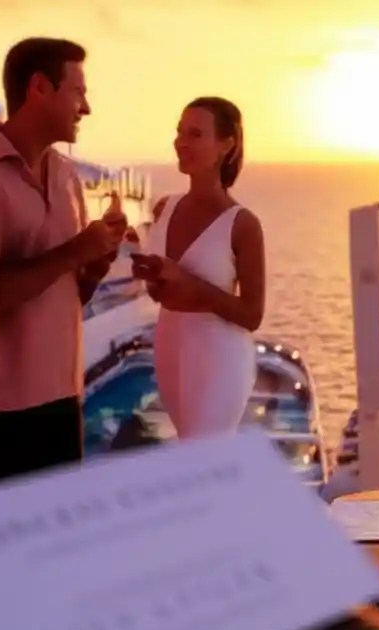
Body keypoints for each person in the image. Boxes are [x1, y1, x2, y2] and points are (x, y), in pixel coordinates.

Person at [0, 37, 128, 490]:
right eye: (78, 91)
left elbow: (66, 292)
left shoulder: (67, 176)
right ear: (40, 87)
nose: (87, 107)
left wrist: (95, 263)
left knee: (55, 556)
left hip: (60, 399)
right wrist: (76, 250)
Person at [131, 96, 266, 439]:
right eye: (179, 132)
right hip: (172, 350)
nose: (181, 142)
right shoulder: (165, 208)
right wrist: (155, 276)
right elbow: (162, 295)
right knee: (190, 455)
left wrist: (186, 281)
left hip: (219, 358)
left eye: (194, 134)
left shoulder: (242, 224)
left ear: (226, 145)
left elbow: (252, 315)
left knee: (206, 457)